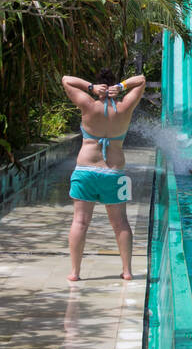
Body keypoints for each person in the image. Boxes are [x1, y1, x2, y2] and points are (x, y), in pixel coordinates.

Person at [61, 68, 146, 281]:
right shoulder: (125, 107)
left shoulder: (88, 105)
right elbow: (142, 80)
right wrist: (122, 87)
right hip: (115, 173)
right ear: (113, 86)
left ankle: (74, 272)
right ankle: (127, 271)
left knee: (80, 221)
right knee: (121, 223)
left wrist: (90, 88)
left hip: (86, 171)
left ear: (99, 87)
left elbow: (66, 80)